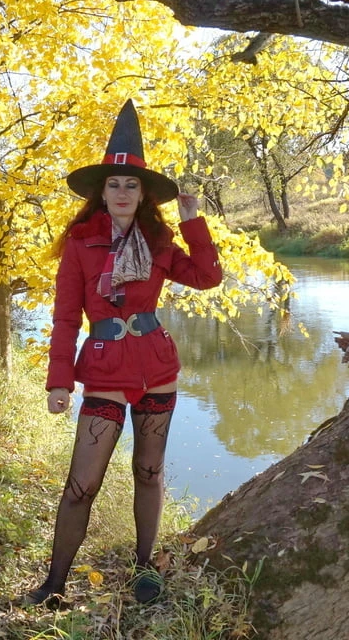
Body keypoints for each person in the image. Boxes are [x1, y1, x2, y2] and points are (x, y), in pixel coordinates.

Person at [24, 100, 223, 608]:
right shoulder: (79, 243)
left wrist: (193, 222)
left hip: (157, 368)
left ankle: (143, 568)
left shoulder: (159, 241)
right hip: (105, 370)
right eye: (113, 184)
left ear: (143, 194)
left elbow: (207, 278)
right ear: (101, 191)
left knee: (149, 472)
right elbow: (67, 318)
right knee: (81, 484)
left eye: (131, 184)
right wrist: (59, 381)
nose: (122, 192)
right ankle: (54, 584)